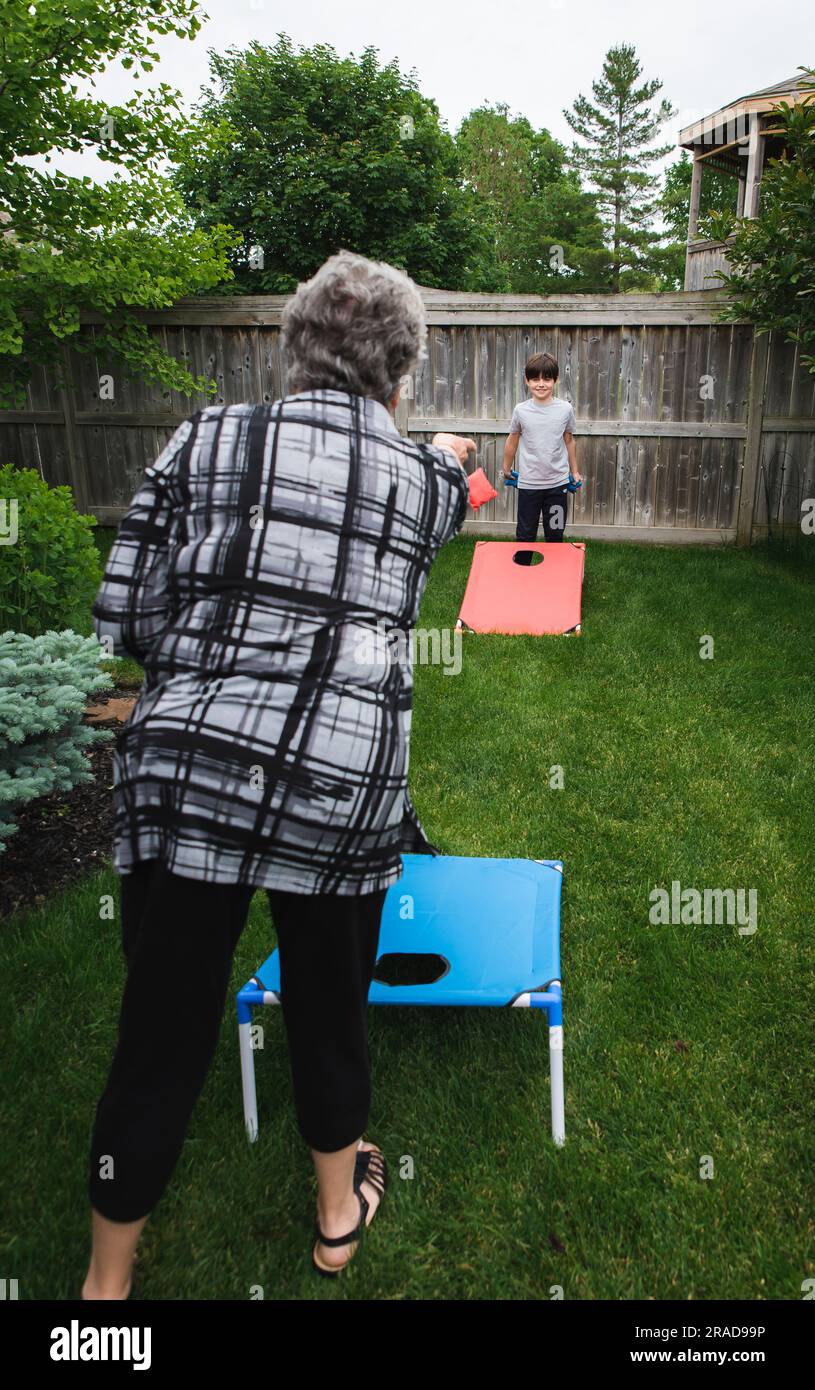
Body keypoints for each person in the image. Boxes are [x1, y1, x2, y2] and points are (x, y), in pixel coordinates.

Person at [82, 248, 476, 1297]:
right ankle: (336, 1218)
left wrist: (211, 678)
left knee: (158, 1034)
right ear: (397, 372)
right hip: (338, 793)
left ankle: (103, 1287)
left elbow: (125, 615)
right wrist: (433, 445)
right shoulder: (420, 479)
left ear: (291, 345)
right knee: (328, 1008)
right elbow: (446, 483)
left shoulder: (205, 435)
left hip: (181, 771)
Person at [502, 352, 581, 562]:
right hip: (529, 486)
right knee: (525, 535)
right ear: (527, 380)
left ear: (555, 380)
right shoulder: (521, 410)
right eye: (535, 379)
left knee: (555, 534)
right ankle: (521, 578)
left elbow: (569, 440)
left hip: (558, 486)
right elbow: (512, 440)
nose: (541, 384)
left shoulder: (565, 409)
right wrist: (506, 467)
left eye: (546, 378)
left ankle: (554, 580)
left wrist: (574, 471)